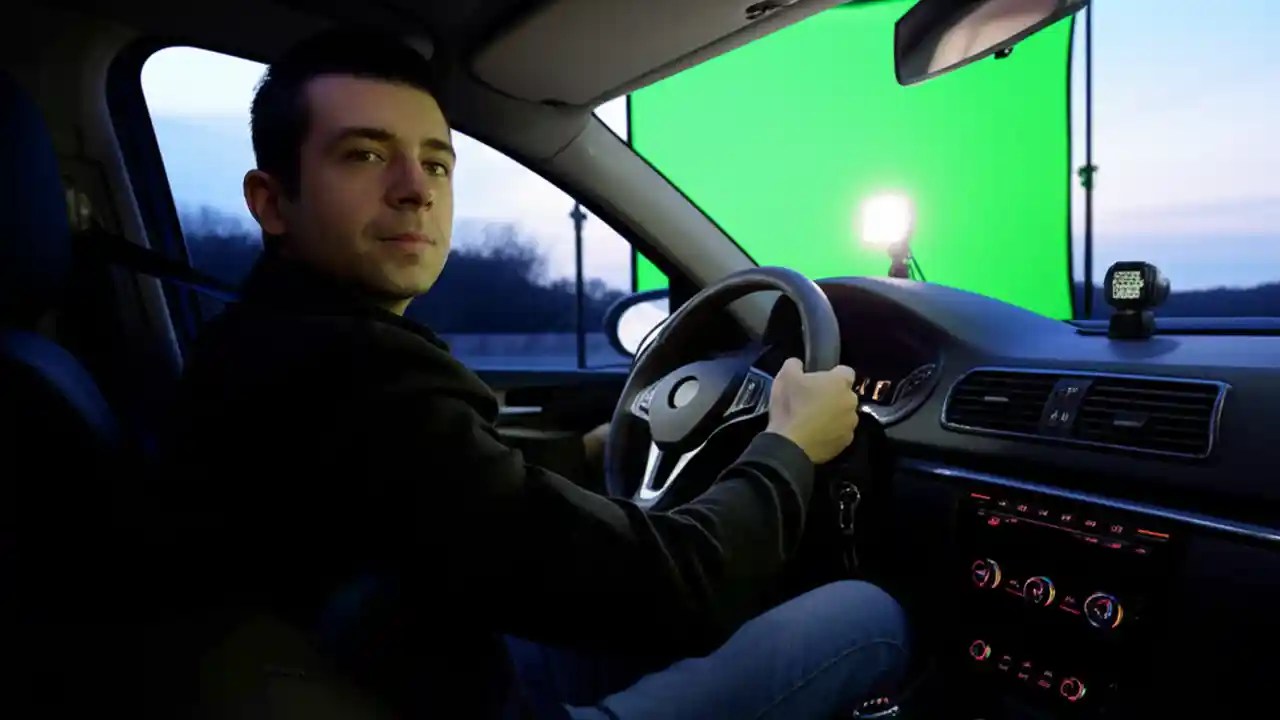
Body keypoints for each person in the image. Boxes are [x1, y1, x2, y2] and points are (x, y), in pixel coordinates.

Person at [162, 27, 909, 720]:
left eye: (435, 162)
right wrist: (789, 445)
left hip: (404, 668)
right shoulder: (352, 375)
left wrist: (583, 451)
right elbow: (684, 588)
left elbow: (457, 498)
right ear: (271, 202)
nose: (414, 188)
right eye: (363, 154)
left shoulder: (262, 345)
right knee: (867, 616)